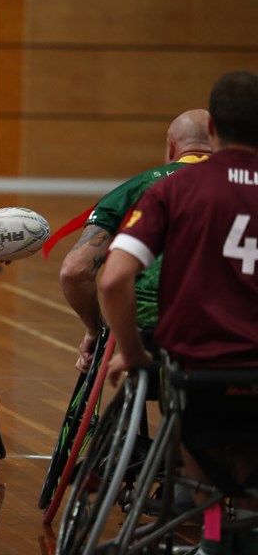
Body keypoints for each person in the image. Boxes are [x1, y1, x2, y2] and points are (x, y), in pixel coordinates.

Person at [99, 70, 258, 555]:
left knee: (206, 458)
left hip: (196, 370)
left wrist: (131, 352)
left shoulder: (173, 189)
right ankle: (247, 533)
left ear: (211, 128)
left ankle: (211, 537)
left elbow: (111, 277)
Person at [60, 109, 212, 373]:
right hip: (236, 328)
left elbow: (75, 270)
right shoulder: (245, 188)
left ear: (171, 147)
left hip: (155, 329)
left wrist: (96, 329)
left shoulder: (140, 188)